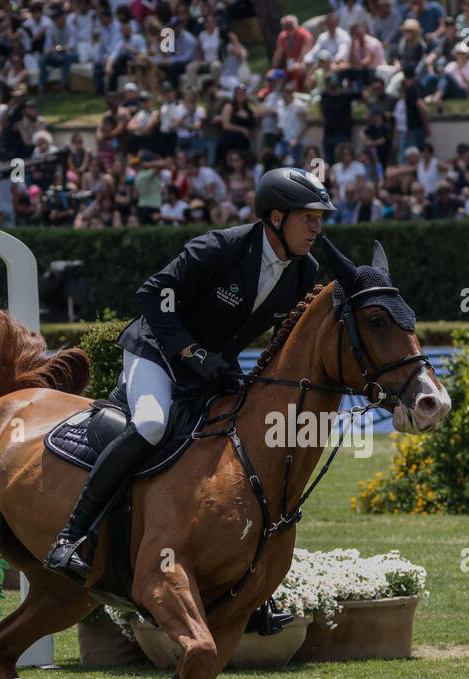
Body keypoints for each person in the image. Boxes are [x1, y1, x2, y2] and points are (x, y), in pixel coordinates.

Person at [43, 166, 335, 584]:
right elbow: (151, 294)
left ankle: (245, 577)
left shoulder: (304, 271)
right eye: (309, 216)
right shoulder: (221, 248)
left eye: (320, 218)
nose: (316, 227)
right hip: (157, 352)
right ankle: (71, 536)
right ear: (276, 217)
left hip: (213, 366)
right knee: (151, 425)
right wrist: (192, 351)